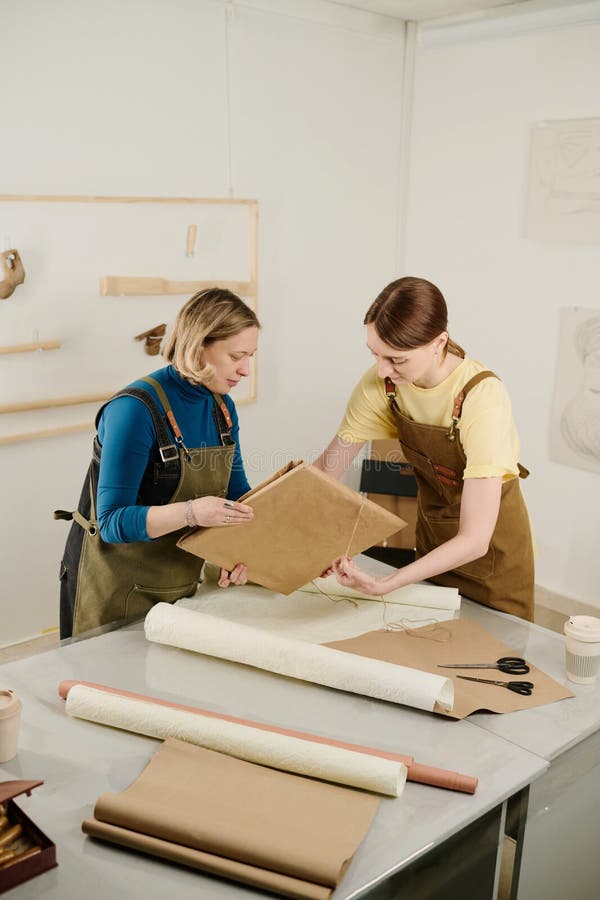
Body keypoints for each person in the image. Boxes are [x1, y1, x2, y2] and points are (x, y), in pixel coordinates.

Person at [315, 276, 534, 621]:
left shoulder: (482, 397)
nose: (382, 370)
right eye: (375, 354)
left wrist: (388, 583)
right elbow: (324, 475)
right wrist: (298, 541)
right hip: (433, 549)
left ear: (438, 342)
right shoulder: (383, 385)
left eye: (396, 359)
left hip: (492, 558)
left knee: (499, 644)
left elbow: (475, 539)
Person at [57, 288, 259, 638]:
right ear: (199, 346)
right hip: (114, 593)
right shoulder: (133, 410)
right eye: (237, 356)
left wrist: (236, 551)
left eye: (251, 356)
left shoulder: (222, 408)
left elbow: (237, 495)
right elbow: (112, 522)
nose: (246, 370)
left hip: (179, 588)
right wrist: (192, 512)